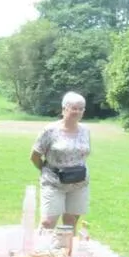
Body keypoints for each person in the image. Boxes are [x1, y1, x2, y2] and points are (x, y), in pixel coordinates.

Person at [30, 91, 92, 228]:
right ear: (64, 109)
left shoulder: (85, 130)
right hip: (53, 182)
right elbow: (34, 156)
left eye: (81, 109)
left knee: (70, 224)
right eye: (74, 108)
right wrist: (46, 170)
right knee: (47, 223)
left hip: (79, 183)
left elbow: (85, 154)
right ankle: (42, 249)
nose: (77, 112)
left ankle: (66, 249)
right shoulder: (50, 130)